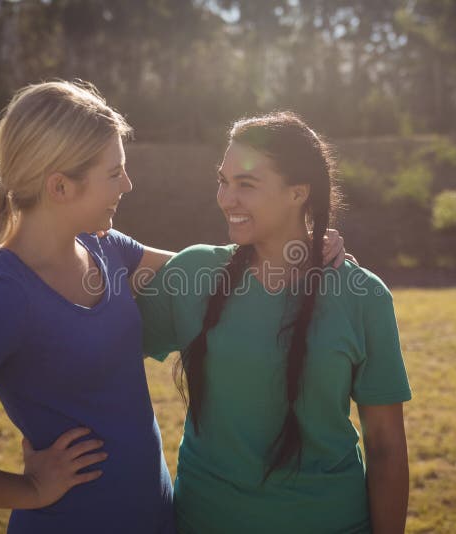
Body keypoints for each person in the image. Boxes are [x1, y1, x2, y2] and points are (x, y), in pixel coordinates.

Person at [0, 81, 347, 532]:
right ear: (59, 187)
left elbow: (213, 272)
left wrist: (297, 240)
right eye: (114, 173)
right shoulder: (2, 296)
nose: (128, 185)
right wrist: (27, 488)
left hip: (157, 518)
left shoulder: (106, 248)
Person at [136, 112, 412, 533]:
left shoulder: (364, 296)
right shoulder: (192, 275)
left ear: (298, 192)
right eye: (223, 182)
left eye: (245, 184)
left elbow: (387, 446)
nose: (227, 199)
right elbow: (97, 343)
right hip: (206, 520)